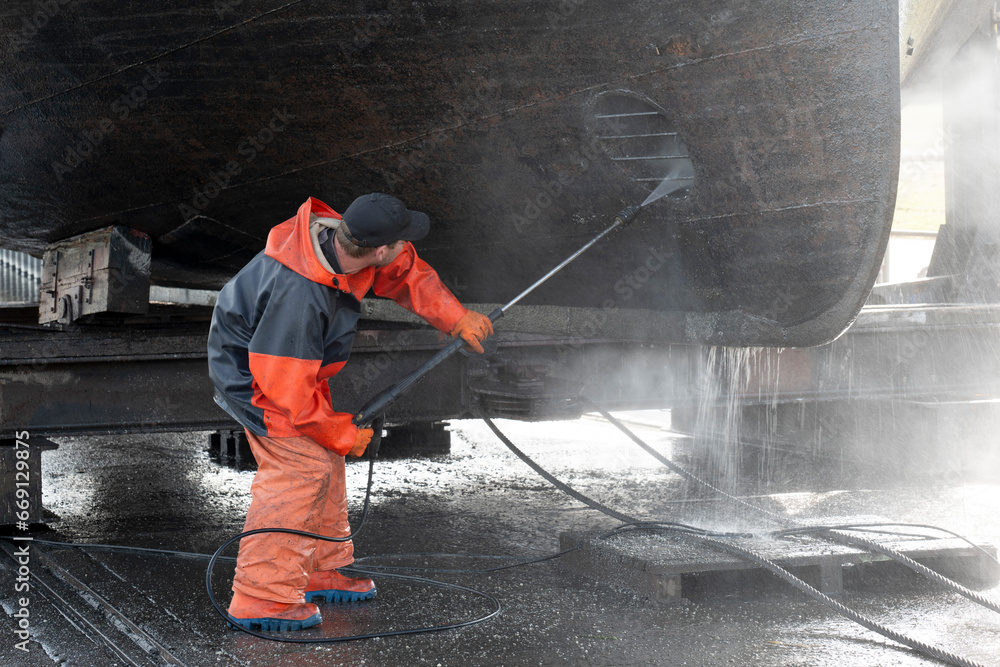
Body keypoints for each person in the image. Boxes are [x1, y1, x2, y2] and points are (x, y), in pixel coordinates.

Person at [208, 193, 493, 631]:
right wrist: (338, 432)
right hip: (258, 379)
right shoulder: (299, 295)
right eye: (399, 242)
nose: (402, 248)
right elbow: (287, 392)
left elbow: (404, 270)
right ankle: (260, 598)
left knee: (326, 461)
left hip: (295, 366)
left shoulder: (346, 239)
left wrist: (453, 317)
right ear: (377, 249)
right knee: (301, 467)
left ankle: (320, 568)